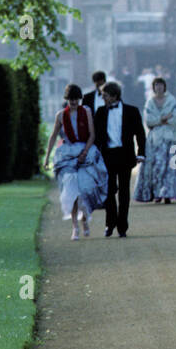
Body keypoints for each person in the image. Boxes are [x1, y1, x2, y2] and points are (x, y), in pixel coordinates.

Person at [43, 83, 110, 241]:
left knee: (85, 189)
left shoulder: (86, 112)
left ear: (79, 99)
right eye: (70, 99)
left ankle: (84, 218)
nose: (73, 102)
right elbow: (53, 136)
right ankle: (75, 227)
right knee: (71, 191)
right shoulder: (60, 115)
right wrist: (47, 157)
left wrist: (85, 152)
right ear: (66, 99)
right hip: (67, 155)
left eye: (76, 99)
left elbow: (92, 135)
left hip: (85, 152)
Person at [94, 80, 146, 238]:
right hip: (107, 156)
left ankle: (122, 226)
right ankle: (110, 223)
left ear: (115, 96)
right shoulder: (101, 112)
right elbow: (96, 137)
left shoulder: (132, 111)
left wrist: (141, 152)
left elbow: (140, 134)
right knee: (109, 192)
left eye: (105, 95)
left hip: (125, 155)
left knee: (124, 192)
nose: (103, 98)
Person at [134, 77, 176, 204]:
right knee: (156, 167)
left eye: (161, 85)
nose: (159, 87)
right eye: (156, 85)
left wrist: (159, 119)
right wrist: (162, 119)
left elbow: (175, 120)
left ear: (164, 87)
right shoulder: (150, 102)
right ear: (153, 87)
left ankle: (168, 193)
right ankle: (157, 193)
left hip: (171, 138)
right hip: (154, 140)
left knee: (172, 166)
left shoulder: (172, 100)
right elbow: (149, 121)